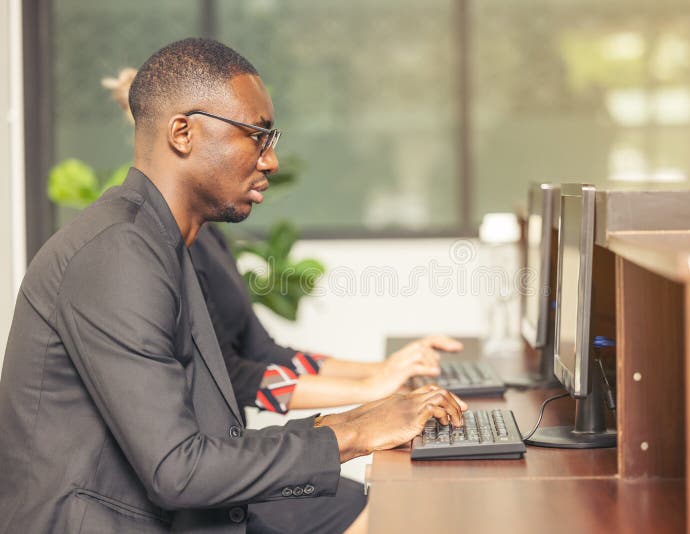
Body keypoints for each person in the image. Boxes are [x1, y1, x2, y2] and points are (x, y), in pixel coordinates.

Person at [0, 38, 465, 534]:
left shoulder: (165, 242)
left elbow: (212, 434)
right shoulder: (118, 254)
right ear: (183, 133)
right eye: (257, 136)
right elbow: (178, 470)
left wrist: (361, 417)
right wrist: (354, 430)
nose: (271, 161)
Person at [191, 223, 463, 416]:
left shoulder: (208, 232)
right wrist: (366, 389)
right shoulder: (177, 249)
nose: (269, 163)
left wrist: (382, 370)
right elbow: (231, 379)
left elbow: (262, 352)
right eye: (255, 140)